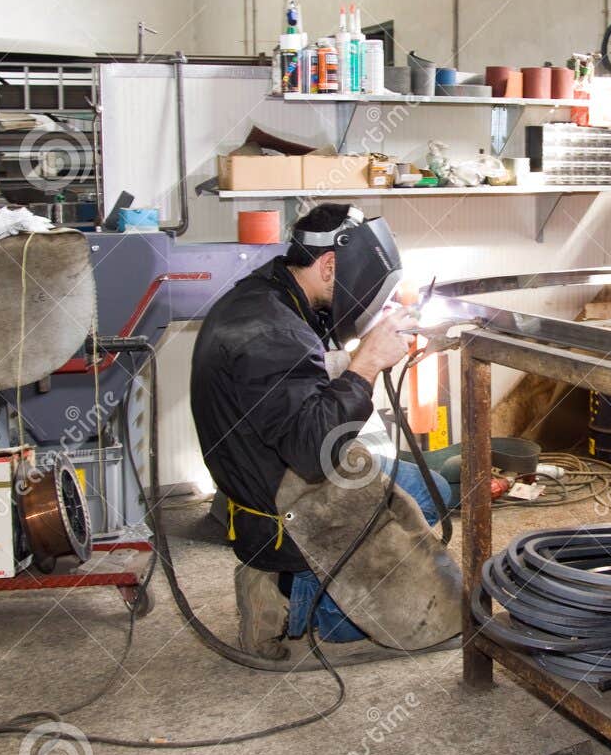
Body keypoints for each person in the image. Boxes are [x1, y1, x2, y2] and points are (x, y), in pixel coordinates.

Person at [189, 203, 453, 657]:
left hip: (262, 466)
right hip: (282, 493)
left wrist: (352, 357)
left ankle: (303, 578)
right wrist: (367, 363)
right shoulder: (274, 330)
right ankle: (299, 603)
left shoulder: (269, 297)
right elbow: (314, 451)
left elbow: (289, 383)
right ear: (329, 265)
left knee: (431, 491)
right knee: (422, 512)